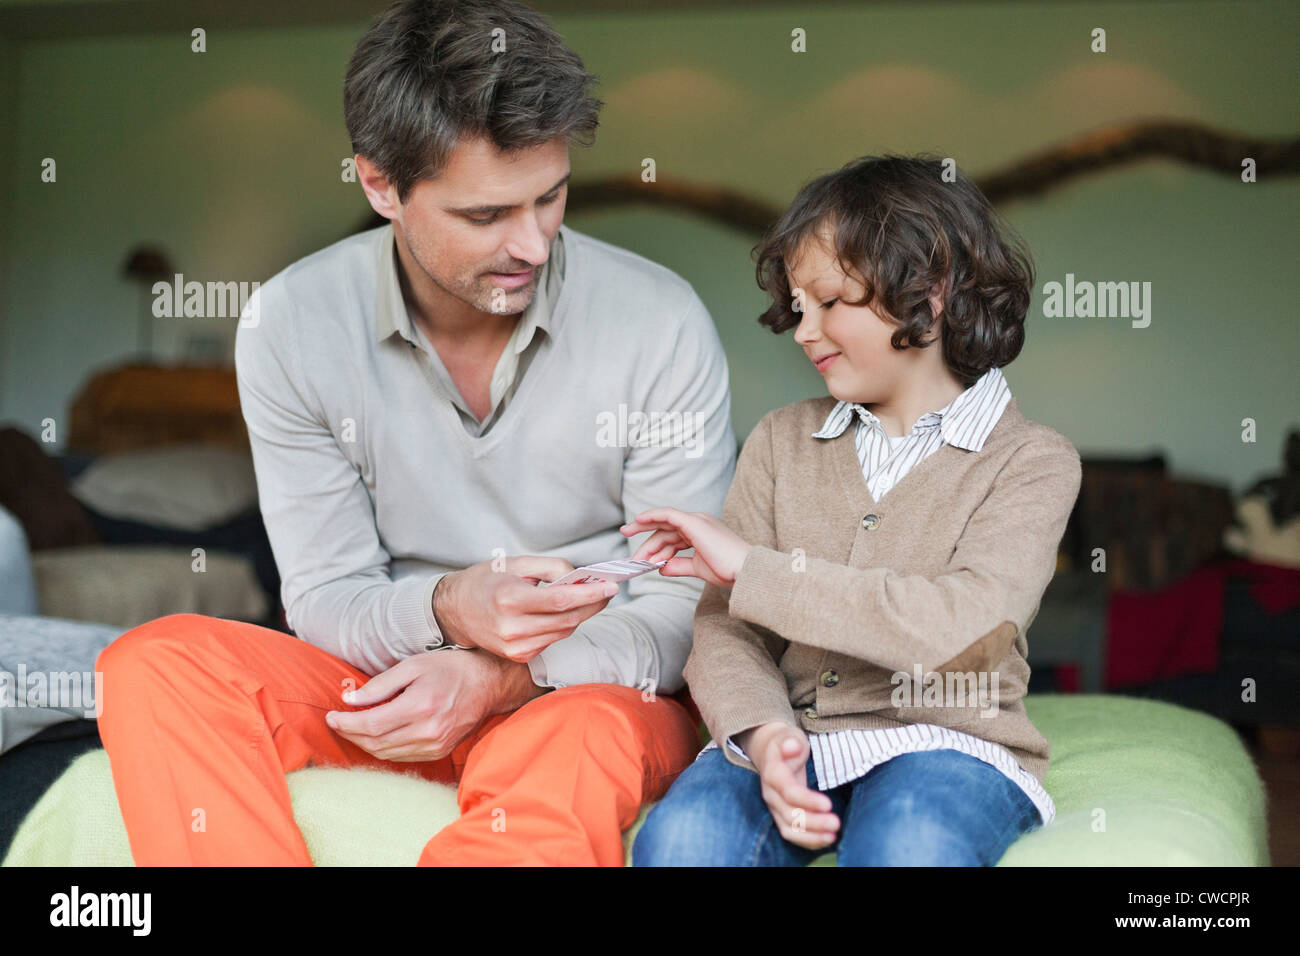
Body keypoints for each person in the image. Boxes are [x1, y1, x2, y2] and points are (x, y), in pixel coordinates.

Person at [94, 0, 735, 866]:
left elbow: (681, 617)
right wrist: (448, 609)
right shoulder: (291, 322)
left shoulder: (659, 319)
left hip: (584, 694)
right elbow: (323, 597)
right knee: (154, 664)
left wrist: (505, 677)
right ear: (380, 185)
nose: (535, 243)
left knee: (580, 739)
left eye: (551, 198)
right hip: (388, 682)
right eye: (486, 216)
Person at [627, 154, 1082, 866]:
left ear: (931, 292)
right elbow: (724, 630)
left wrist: (754, 567)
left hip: (951, 748)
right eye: (799, 307)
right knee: (682, 843)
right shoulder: (781, 439)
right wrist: (761, 733)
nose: (805, 332)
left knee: (910, 847)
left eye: (831, 302)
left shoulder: (1032, 460)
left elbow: (967, 626)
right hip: (794, 736)